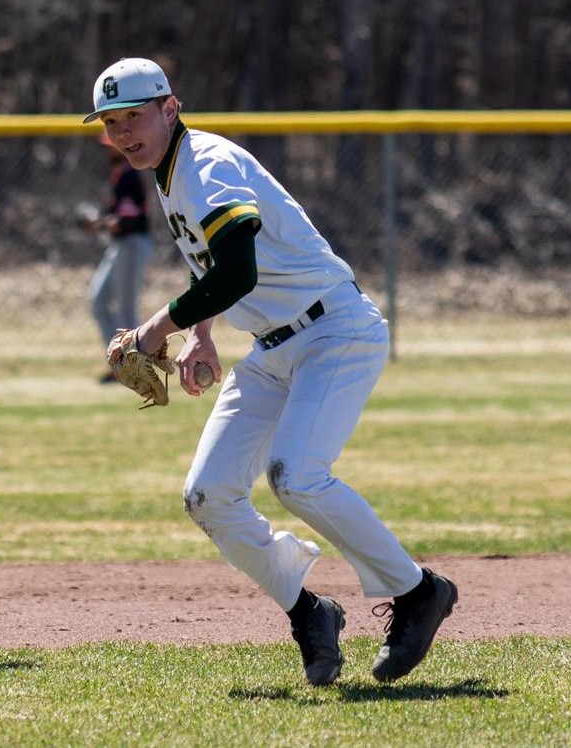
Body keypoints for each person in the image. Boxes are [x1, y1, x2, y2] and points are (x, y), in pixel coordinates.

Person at [85, 58, 457, 686]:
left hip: (334, 330)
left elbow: (238, 274)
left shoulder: (205, 165)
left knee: (296, 476)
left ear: (171, 108)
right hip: (272, 347)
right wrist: (202, 333)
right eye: (112, 121)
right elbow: (213, 265)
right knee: (208, 496)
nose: (124, 132)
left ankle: (419, 591)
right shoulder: (169, 170)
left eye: (135, 116)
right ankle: (310, 612)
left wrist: (156, 330)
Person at [83, 131, 154, 382]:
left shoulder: (130, 174)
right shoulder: (118, 175)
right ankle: (119, 360)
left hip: (133, 244)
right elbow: (117, 217)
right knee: (99, 300)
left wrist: (106, 223)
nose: (108, 151)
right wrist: (100, 223)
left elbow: (132, 216)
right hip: (120, 245)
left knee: (126, 308)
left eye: (111, 147)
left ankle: (134, 366)